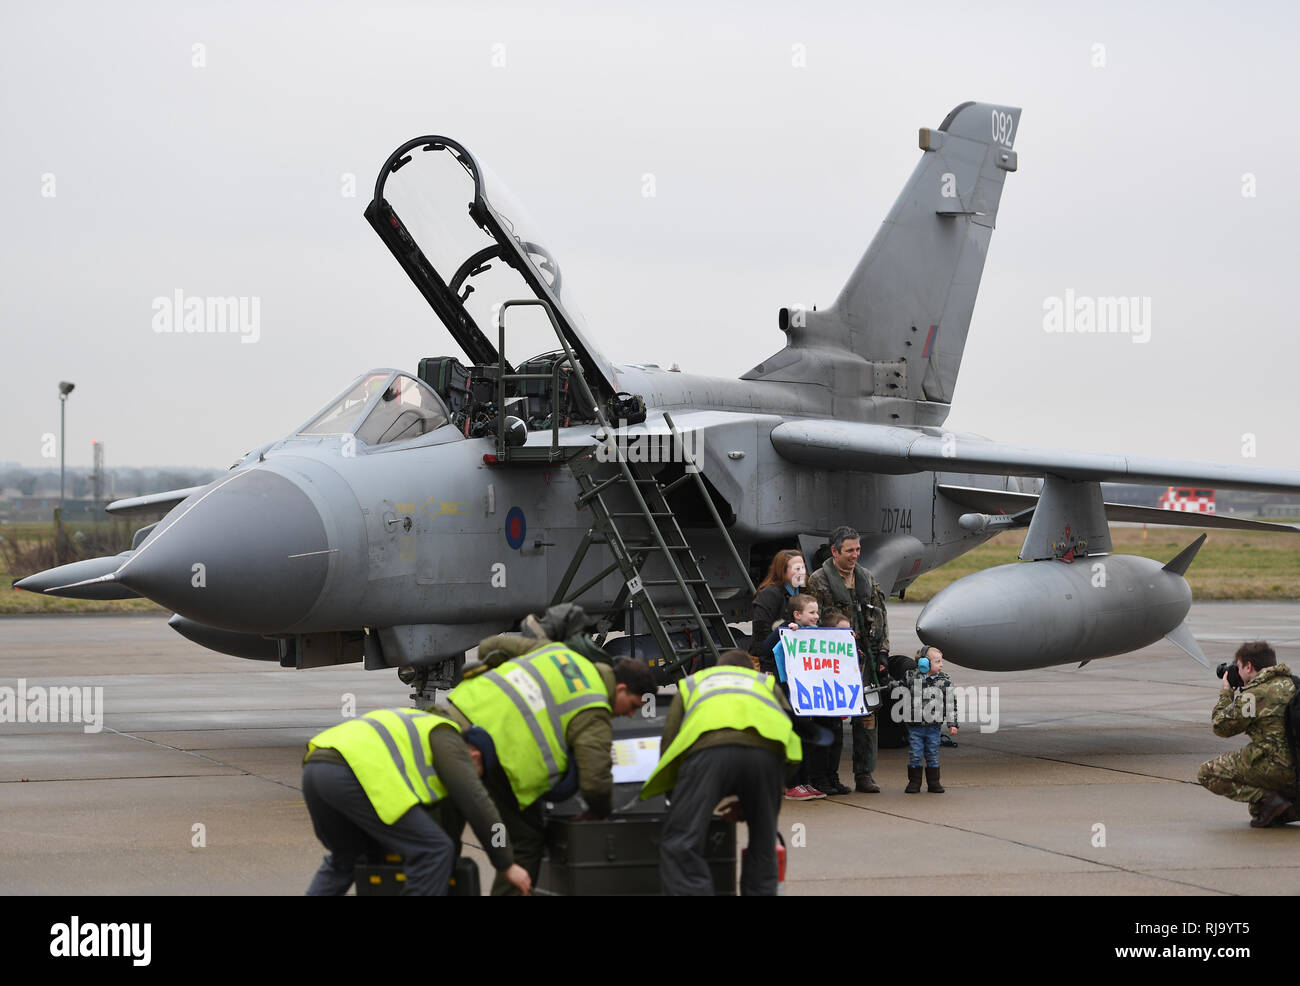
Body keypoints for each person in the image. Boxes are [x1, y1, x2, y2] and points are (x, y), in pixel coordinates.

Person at [445, 641, 657, 893]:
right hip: (489, 753)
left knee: (443, 840)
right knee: (525, 841)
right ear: (620, 689)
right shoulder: (594, 705)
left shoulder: (559, 653)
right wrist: (599, 811)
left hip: (452, 719)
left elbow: (490, 646)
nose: (630, 715)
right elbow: (595, 782)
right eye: (632, 706)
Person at [301, 707, 532, 895]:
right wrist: (506, 863)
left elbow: (436, 820)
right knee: (434, 851)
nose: (475, 779)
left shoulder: (419, 730)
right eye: (479, 774)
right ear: (475, 756)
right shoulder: (447, 736)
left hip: (315, 770)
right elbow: (478, 804)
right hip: (352, 772)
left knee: (346, 858)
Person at [642, 649, 803, 896]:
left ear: (717, 668)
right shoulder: (764, 683)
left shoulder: (692, 684)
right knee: (763, 841)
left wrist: (680, 797)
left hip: (708, 753)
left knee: (681, 842)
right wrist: (770, 789)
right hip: (766, 756)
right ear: (750, 670)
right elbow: (790, 734)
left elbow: (670, 743)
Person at [808, 525, 890, 793]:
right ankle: (826, 775)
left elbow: (881, 615)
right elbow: (812, 622)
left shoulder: (866, 578)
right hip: (834, 662)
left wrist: (884, 653)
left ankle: (864, 774)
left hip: (865, 660)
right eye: (849, 550)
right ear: (835, 551)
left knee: (867, 717)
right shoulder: (818, 582)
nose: (855, 555)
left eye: (858, 549)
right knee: (832, 719)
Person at [1196, 641, 1298, 828]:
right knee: (1257, 809)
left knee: (1207, 772)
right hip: (1298, 767)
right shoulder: (1295, 684)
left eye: (1239, 667)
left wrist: (1226, 693)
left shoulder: (1254, 695)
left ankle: (1270, 799)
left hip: (1278, 767)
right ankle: (1290, 806)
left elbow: (1221, 727)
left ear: (1249, 666)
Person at [759, 593, 826, 800]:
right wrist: (785, 630)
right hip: (789, 694)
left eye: (817, 611)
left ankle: (805, 781)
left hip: (807, 695)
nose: (817, 616)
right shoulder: (786, 631)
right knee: (794, 737)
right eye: (812, 612)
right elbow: (765, 648)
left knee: (807, 737)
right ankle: (791, 783)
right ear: (797, 615)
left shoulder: (815, 633)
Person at [894, 646, 958, 793]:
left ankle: (934, 782)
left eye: (941, 661)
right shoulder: (911, 677)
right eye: (938, 661)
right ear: (925, 663)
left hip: (933, 727)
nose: (941, 664)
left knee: (932, 753)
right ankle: (914, 782)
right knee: (915, 754)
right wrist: (888, 683)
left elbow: (950, 704)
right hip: (915, 726)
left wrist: (952, 724)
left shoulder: (944, 682)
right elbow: (899, 686)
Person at [807, 608, 856, 795]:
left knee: (837, 742)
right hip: (821, 702)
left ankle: (832, 776)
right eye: (842, 631)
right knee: (823, 744)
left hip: (837, 702)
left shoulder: (847, 650)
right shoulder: (819, 649)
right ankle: (819, 778)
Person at [748, 549, 808, 676]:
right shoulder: (769, 594)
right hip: (771, 665)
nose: (801, 572)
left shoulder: (804, 593)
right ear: (782, 571)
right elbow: (760, 641)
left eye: (803, 568)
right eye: (797, 569)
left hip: (795, 663)